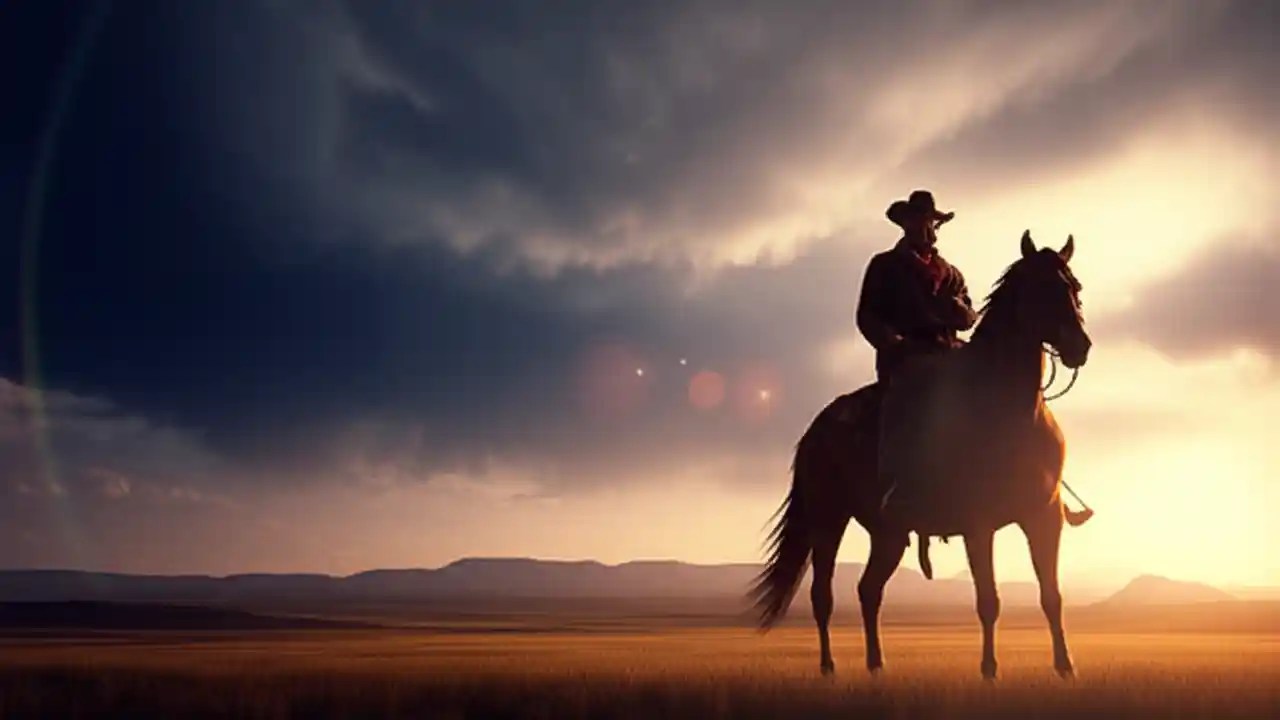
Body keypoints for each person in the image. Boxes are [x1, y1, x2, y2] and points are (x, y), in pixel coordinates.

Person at [856, 190, 976, 384]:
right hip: (905, 364)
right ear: (906, 225)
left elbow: (970, 315)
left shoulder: (951, 274)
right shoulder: (885, 265)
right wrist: (895, 344)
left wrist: (962, 311)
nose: (926, 228)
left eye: (930, 222)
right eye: (918, 221)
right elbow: (867, 317)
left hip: (950, 355)